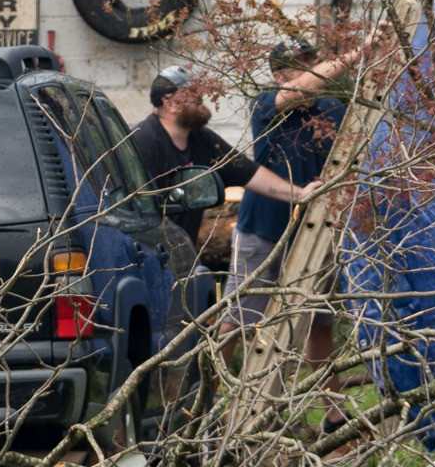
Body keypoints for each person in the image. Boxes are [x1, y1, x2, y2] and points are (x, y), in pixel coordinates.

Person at [233, 38, 369, 373]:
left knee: (318, 324)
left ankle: (333, 417)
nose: (311, 66)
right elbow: (302, 89)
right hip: (263, 231)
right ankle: (208, 410)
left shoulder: (333, 111)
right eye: (300, 62)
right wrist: (359, 49)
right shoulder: (266, 104)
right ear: (280, 76)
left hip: (314, 234)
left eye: (312, 58)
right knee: (236, 321)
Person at [128, 67, 311, 250]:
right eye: (193, 93)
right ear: (170, 103)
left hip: (182, 252)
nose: (201, 96)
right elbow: (138, 212)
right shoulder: (143, 142)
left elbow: (248, 172)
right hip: (149, 253)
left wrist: (300, 195)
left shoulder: (202, 139)